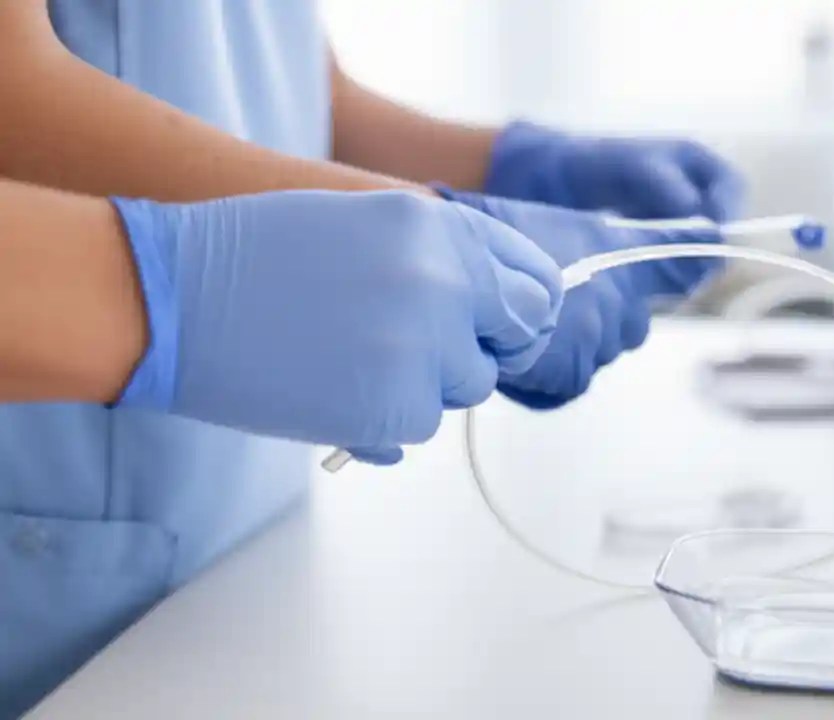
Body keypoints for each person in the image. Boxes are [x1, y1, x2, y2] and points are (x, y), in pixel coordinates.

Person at [0, 1, 744, 714]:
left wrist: (501, 166)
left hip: (240, 527)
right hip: (60, 514)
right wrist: (422, 224)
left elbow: (300, 84)